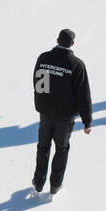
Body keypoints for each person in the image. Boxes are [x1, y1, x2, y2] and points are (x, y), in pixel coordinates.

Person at [31, 29, 92, 200]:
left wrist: (42, 104)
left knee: (43, 147)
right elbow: (83, 95)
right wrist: (87, 121)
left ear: (57, 40)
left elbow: (36, 82)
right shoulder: (77, 65)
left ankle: (38, 182)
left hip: (45, 113)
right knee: (61, 149)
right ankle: (55, 185)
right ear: (72, 44)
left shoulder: (43, 58)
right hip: (65, 117)